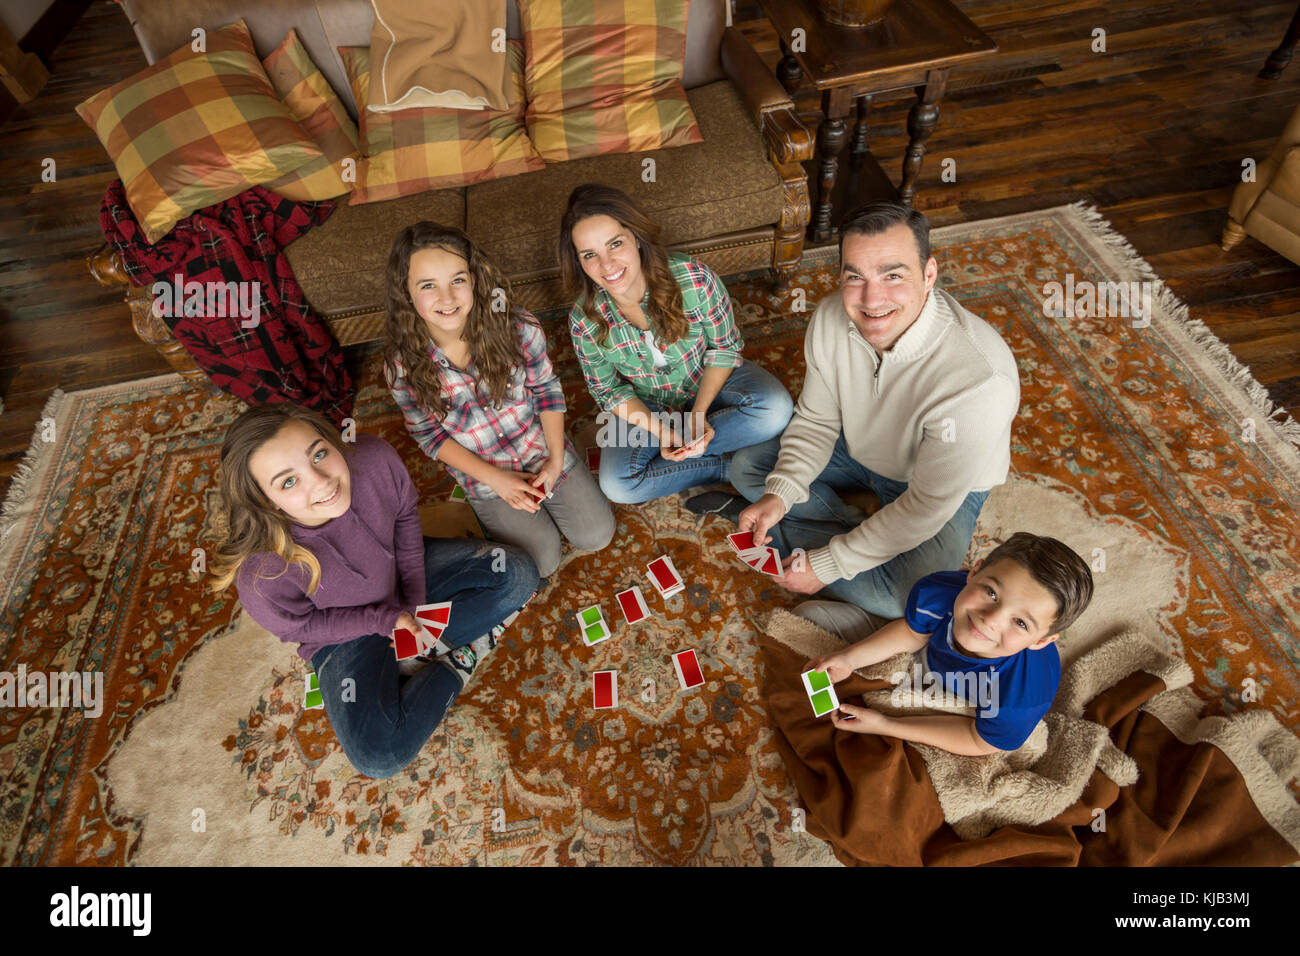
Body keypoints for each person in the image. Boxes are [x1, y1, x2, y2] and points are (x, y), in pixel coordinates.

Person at [209, 403, 539, 779]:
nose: (320, 481)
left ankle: (415, 654)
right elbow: (300, 629)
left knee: (517, 573)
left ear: (333, 440)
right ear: (266, 503)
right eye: (288, 481)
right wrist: (381, 620)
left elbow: (405, 518)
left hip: (402, 572)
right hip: (344, 633)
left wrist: (413, 600)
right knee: (378, 756)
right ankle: (453, 658)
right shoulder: (262, 572)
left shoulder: (374, 458)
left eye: (319, 454)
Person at [732, 200, 1020, 620]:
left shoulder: (980, 381)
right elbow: (815, 421)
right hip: (860, 446)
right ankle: (855, 530)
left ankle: (842, 538)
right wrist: (780, 494)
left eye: (893, 275)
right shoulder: (831, 317)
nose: (872, 299)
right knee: (749, 469)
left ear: (929, 275)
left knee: (904, 599)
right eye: (855, 277)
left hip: (936, 487)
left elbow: (925, 506)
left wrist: (828, 564)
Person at [384, 222, 614, 579]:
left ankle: (563, 470)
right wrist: (497, 481)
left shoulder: (518, 326)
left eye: (458, 280)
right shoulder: (401, 366)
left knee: (597, 536)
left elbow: (547, 390)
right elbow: (430, 436)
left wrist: (554, 460)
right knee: (541, 563)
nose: (447, 298)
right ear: (406, 292)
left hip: (541, 449)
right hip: (486, 475)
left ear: (475, 280)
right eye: (428, 285)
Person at [559, 183, 793, 504]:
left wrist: (697, 416)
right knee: (618, 486)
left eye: (615, 244)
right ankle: (726, 465)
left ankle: (694, 453)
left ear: (637, 238)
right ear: (579, 261)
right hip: (649, 403)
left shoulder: (694, 278)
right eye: (590, 255)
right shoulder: (583, 320)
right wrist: (661, 432)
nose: (607, 264)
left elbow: (724, 349)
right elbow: (609, 391)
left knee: (775, 409)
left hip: (706, 382)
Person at [799, 532, 1095, 754]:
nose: (990, 619)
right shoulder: (941, 590)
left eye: (1020, 623)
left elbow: (979, 742)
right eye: (991, 593)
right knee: (808, 617)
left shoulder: (1022, 696)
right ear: (973, 572)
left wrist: (885, 725)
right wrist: (850, 659)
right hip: (928, 655)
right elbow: (915, 633)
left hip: (965, 701)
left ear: (1041, 641)